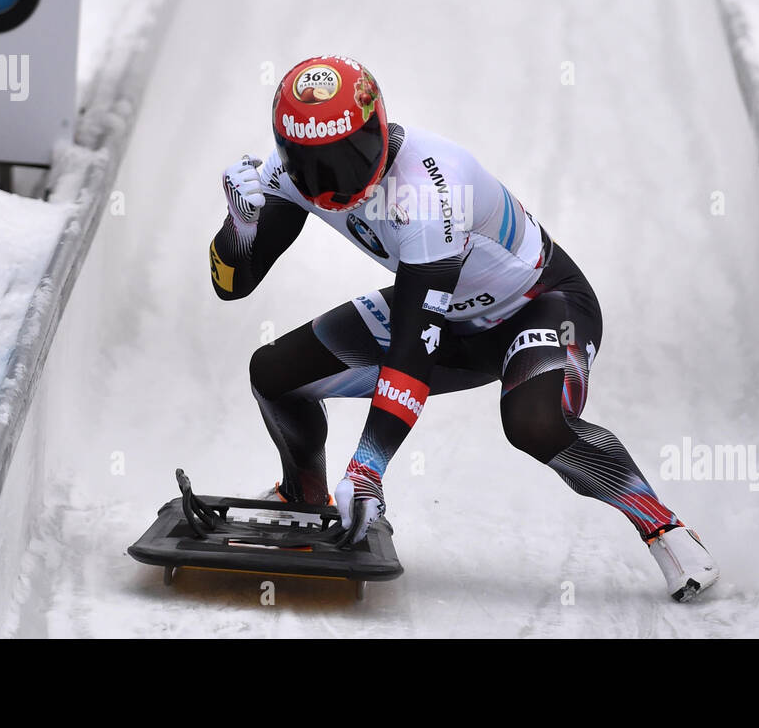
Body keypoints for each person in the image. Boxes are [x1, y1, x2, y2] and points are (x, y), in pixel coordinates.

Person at [209, 55, 719, 602]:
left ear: (379, 129)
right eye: (312, 168)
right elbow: (232, 285)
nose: (331, 185)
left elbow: (412, 353)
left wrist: (369, 470)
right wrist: (242, 227)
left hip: (543, 306)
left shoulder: (432, 190)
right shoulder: (284, 174)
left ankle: (663, 526)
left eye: (349, 158)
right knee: (273, 374)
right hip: (446, 314)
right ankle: (303, 500)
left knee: (533, 421)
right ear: (287, 153)